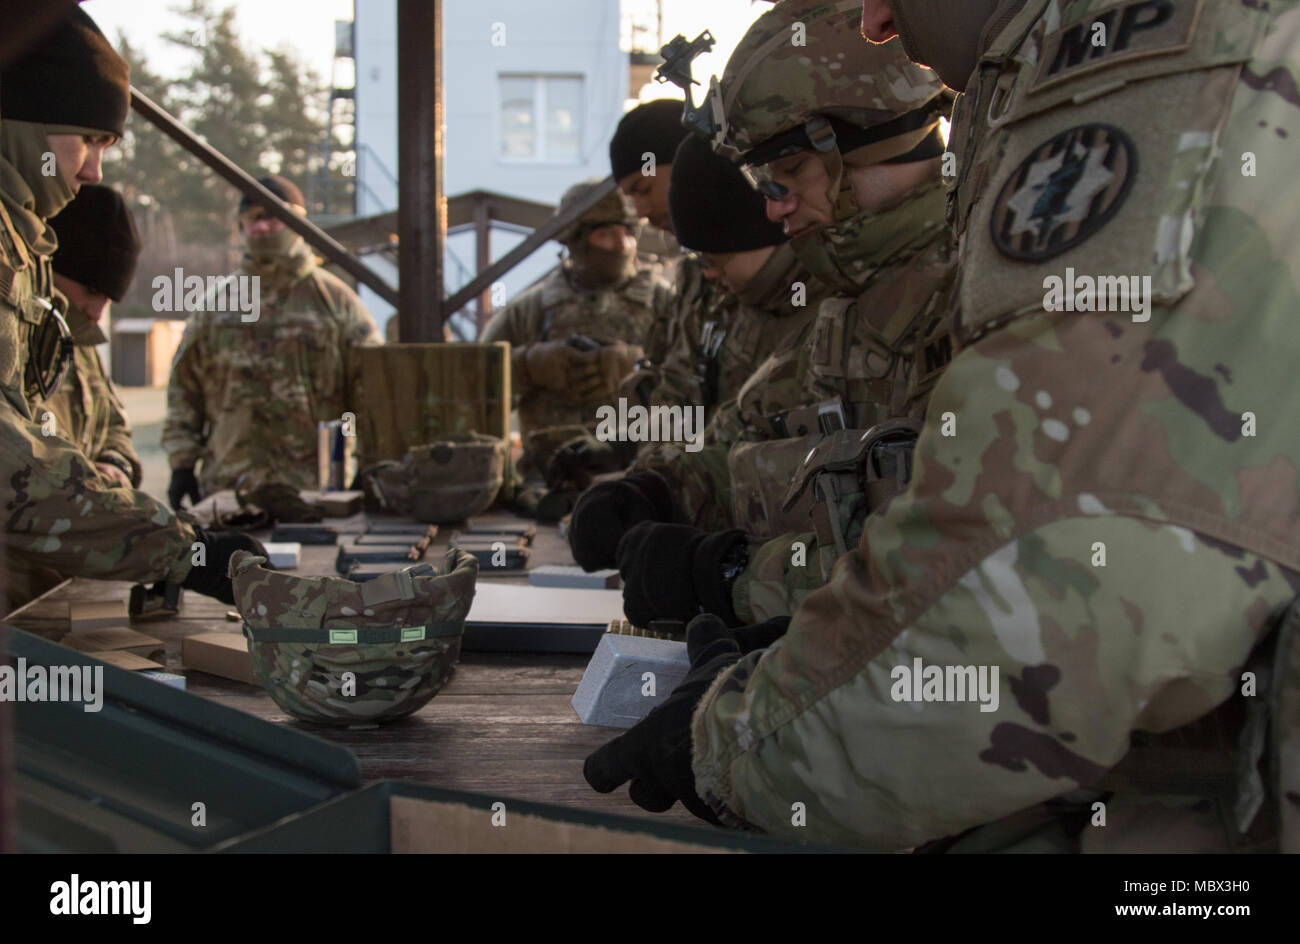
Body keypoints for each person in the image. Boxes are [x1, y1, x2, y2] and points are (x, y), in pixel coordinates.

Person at [587, 0, 1300, 853]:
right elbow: (808, 452)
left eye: (779, 182)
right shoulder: (864, 290)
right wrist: (684, 499)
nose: (879, 20)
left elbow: (1045, 581)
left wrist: (737, 728)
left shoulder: (1158, 63)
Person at [570, 0, 954, 622]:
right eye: (763, 184)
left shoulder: (970, 294)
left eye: (791, 171)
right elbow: (761, 440)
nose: (774, 209)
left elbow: (956, 568)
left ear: (862, 143)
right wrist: (664, 490)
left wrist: (732, 578)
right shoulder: (851, 300)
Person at [1, 8, 259, 613]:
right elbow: (12, 476)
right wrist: (184, 550)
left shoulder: (23, 242)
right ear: (24, 121)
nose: (93, 170)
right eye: (88, 138)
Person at [162, 174, 383, 505]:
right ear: (241, 227)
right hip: (230, 492)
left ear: (298, 222)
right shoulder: (215, 307)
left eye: (272, 217)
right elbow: (184, 391)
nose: (262, 228)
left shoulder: (336, 303)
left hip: (314, 493)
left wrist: (368, 466)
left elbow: (372, 392)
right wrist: (182, 465)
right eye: (252, 219)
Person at [481, 181, 672, 514]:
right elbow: (474, 384)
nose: (622, 244)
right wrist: (526, 366)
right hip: (544, 487)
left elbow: (703, 386)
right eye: (607, 233)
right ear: (576, 239)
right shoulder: (530, 310)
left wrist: (636, 368)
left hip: (640, 484)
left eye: (629, 233)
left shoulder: (665, 303)